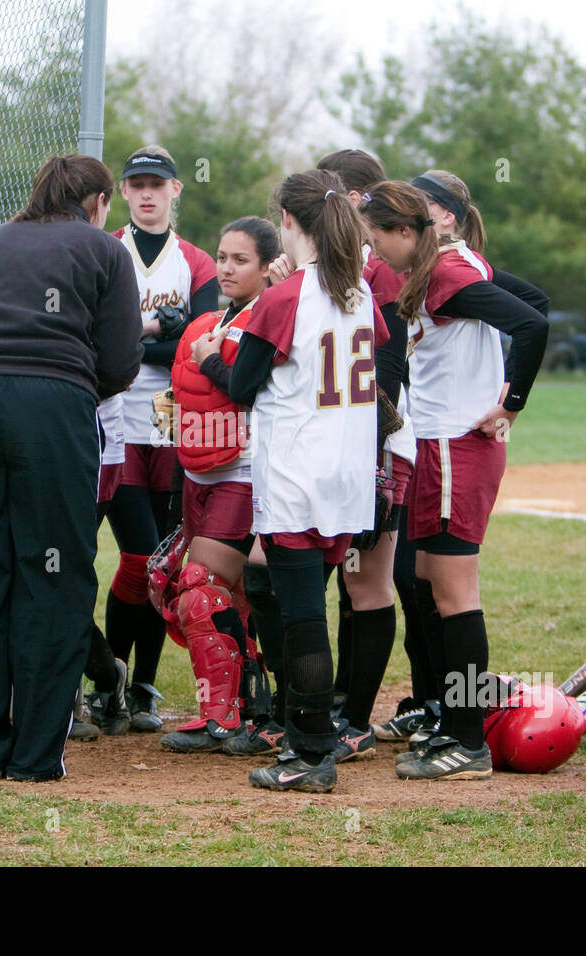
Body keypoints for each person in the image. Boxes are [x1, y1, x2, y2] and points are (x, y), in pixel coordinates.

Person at [0, 153, 142, 782]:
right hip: (50, 408)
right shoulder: (104, 250)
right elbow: (122, 358)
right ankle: (36, 754)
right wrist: (69, 385)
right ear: (99, 201)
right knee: (52, 573)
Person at [360, 175, 549, 781]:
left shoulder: (447, 274)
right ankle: (449, 718)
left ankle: (468, 741)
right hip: (437, 448)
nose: (377, 253)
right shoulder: (433, 268)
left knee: (452, 594)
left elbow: (532, 323)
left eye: (379, 239)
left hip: (456, 448)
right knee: (424, 585)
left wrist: (510, 402)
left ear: (407, 231)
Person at [228, 169, 387, 793]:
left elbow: (241, 385)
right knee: (302, 603)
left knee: (302, 620)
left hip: (297, 474)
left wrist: (215, 357)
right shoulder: (358, 294)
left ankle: (311, 753)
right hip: (347, 478)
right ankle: (310, 739)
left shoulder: (286, 296)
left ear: (288, 223)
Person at [104, 145, 218, 731]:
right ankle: (108, 677)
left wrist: (135, 341)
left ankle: (141, 685)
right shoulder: (109, 252)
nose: (147, 194)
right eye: (136, 185)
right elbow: (102, 344)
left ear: (177, 191)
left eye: (158, 185)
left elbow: (198, 342)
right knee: (138, 556)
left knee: (163, 564)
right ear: (124, 193)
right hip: (117, 422)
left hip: (175, 427)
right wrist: (152, 340)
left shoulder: (195, 261)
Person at [157, 216, 280, 754]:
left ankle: (227, 716)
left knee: (199, 591)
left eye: (241, 260)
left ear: (266, 267)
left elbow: (250, 389)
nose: (227, 268)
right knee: (211, 595)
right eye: (222, 257)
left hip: (243, 473)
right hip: (198, 475)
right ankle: (243, 711)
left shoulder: (268, 316)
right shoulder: (214, 318)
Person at [314, 149, 418, 760]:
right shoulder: (333, 263)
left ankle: (355, 715)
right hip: (331, 444)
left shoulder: (380, 272)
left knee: (367, 580)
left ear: (353, 200)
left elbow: (392, 367)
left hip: (377, 445)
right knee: (342, 577)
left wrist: (371, 445)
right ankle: (337, 699)